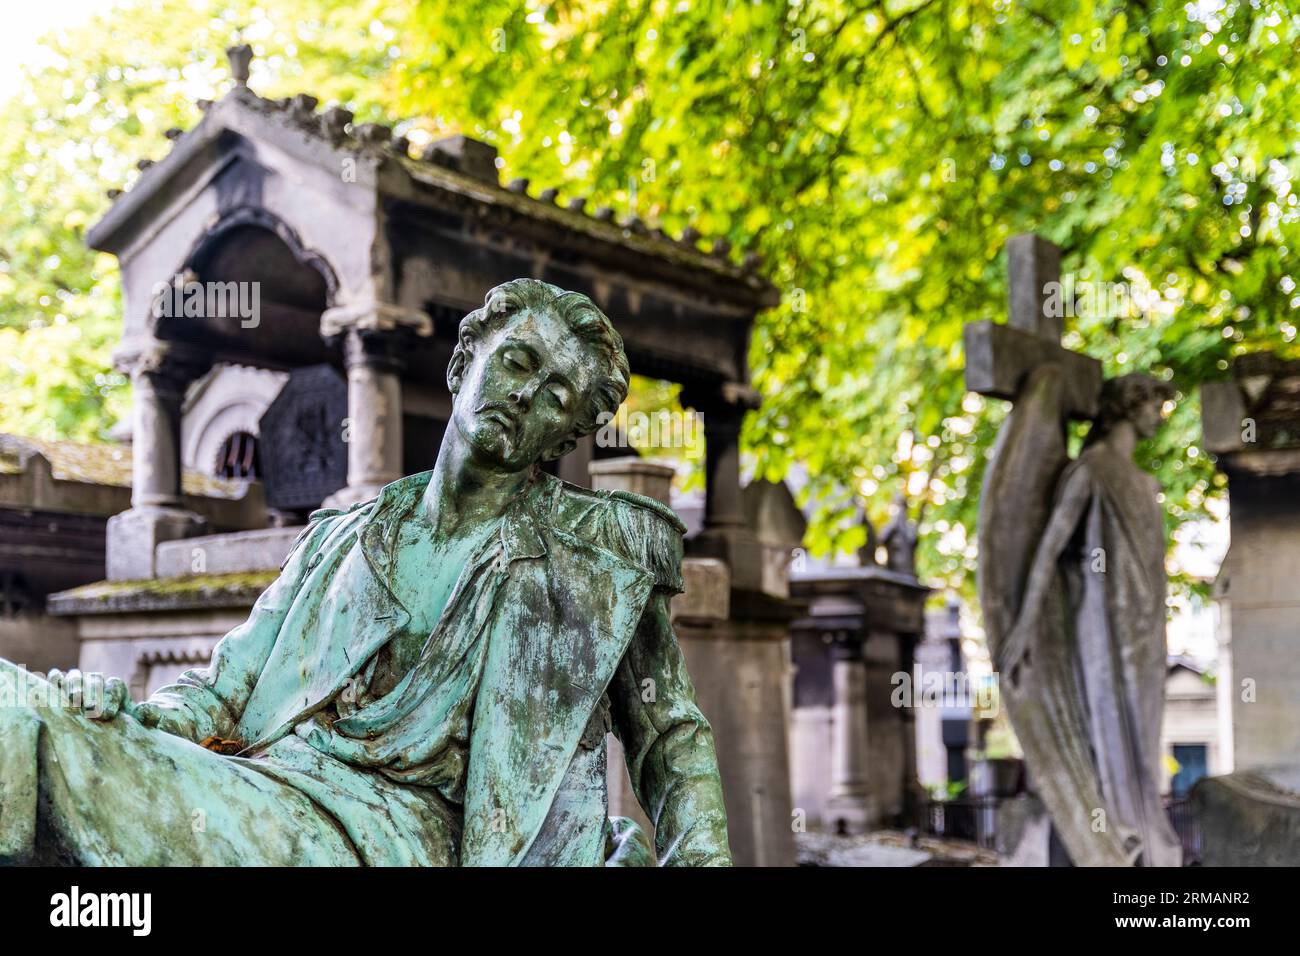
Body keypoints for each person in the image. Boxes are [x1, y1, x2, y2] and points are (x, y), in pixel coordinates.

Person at [0, 279, 731, 867]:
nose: (522, 396)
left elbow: (669, 737)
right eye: (516, 363)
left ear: (565, 436)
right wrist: (130, 712)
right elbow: (225, 690)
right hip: (273, 779)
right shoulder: (340, 539)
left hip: (402, 833)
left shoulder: (596, 561)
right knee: (25, 711)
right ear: (463, 363)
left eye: (556, 398)